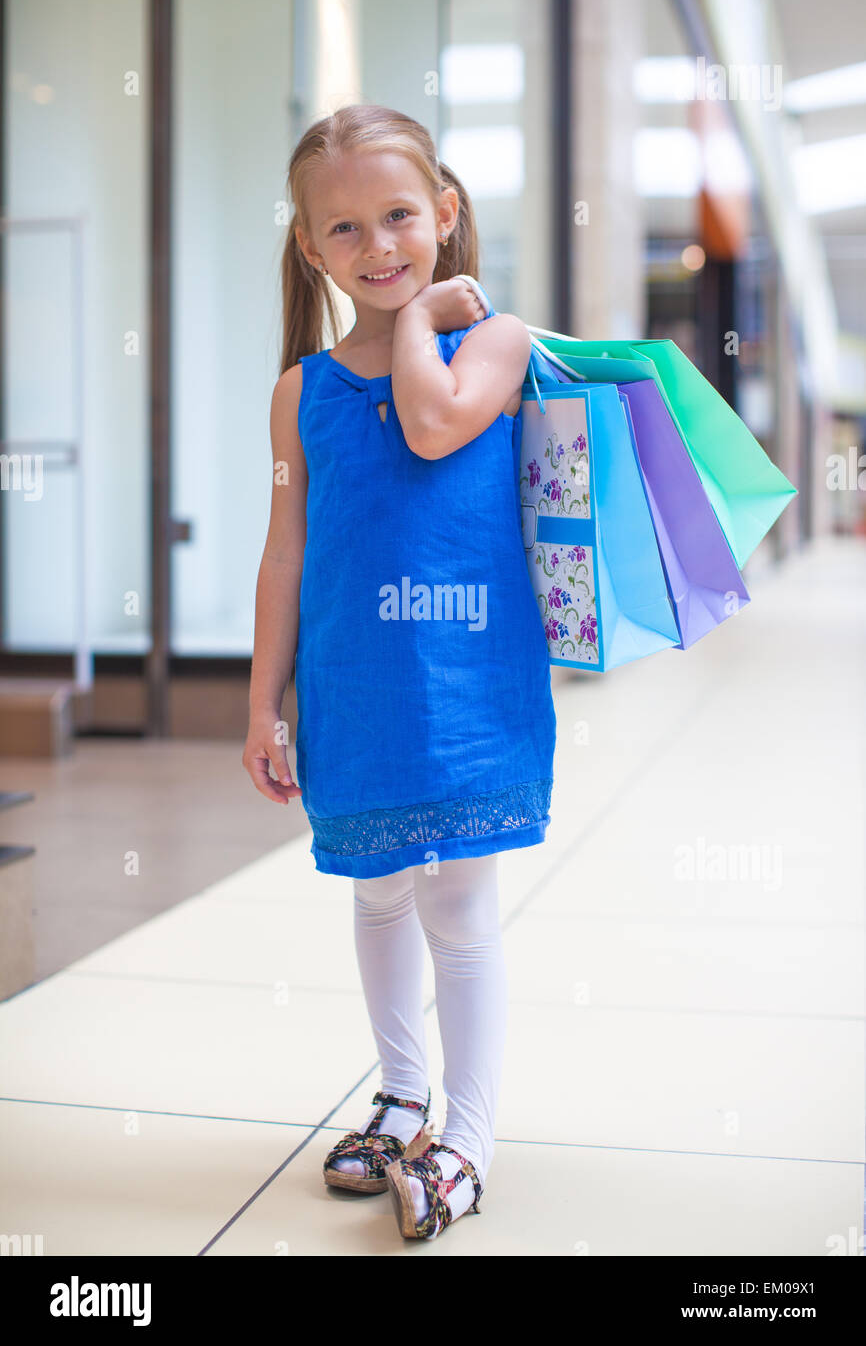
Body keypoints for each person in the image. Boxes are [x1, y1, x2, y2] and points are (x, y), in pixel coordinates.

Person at [242, 103, 557, 1241]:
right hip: (354, 685)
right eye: (343, 232)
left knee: (459, 904)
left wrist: (426, 311)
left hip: (467, 681)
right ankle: (402, 1094)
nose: (376, 247)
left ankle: (465, 1136)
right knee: (377, 890)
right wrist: (260, 702)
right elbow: (285, 554)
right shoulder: (299, 393)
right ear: (308, 248)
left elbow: (430, 427)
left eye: (397, 218)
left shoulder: (496, 342)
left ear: (445, 214)